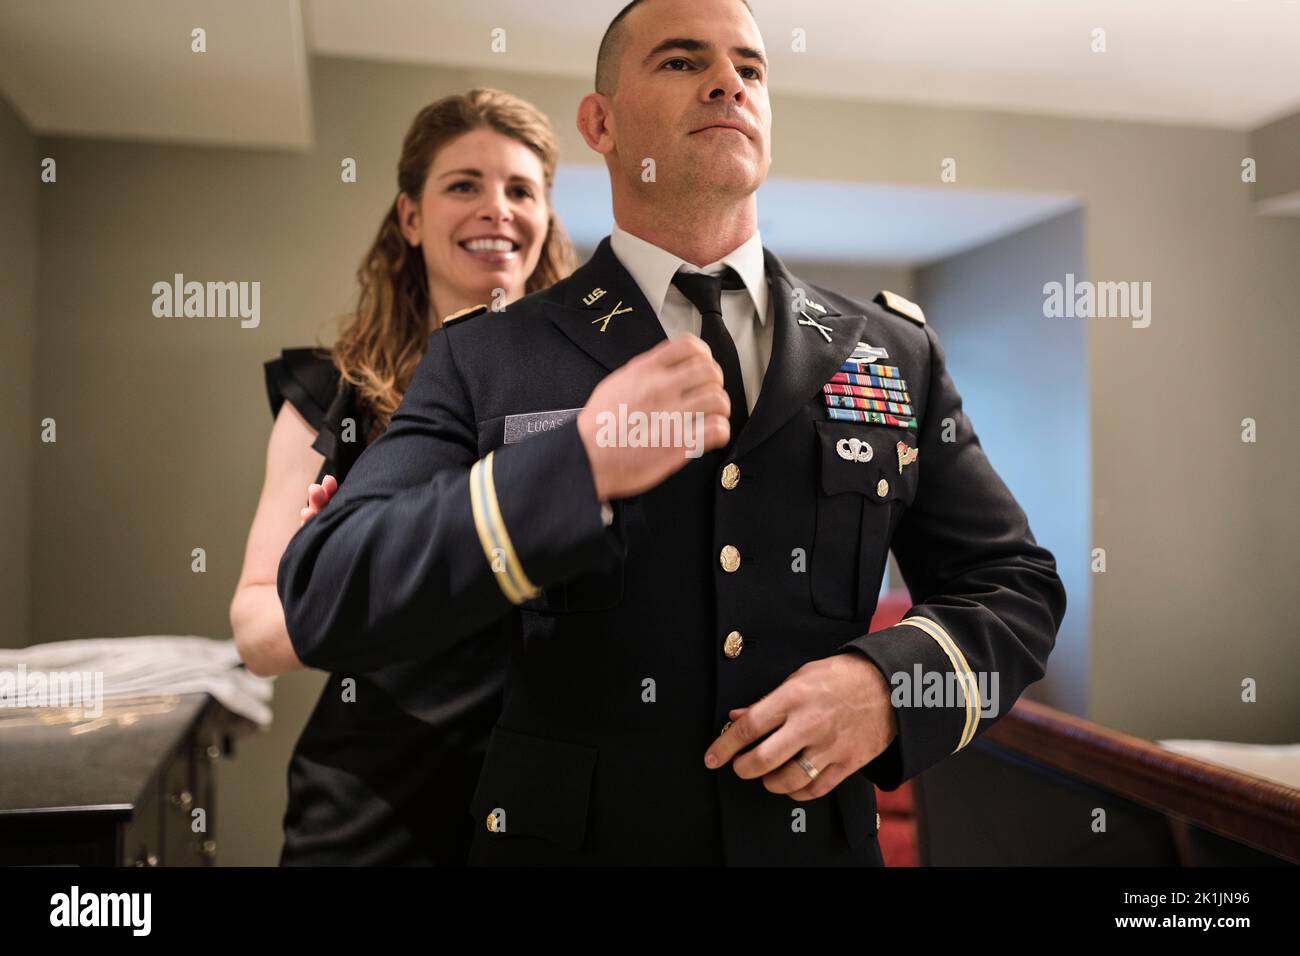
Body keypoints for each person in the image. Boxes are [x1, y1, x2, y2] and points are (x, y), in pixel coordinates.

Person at [278, 0, 1066, 866]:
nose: (729, 82)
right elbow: (325, 596)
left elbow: (1014, 585)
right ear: (601, 122)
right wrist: (574, 466)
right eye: (683, 62)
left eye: (751, 69)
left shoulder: (891, 351)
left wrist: (887, 687)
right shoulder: (487, 355)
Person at [229, 88, 576, 864]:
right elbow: (257, 631)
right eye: (464, 185)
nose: (497, 209)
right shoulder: (330, 396)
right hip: (376, 805)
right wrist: (351, 574)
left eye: (521, 190)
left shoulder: (591, 395)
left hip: (556, 800)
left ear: (547, 218)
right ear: (410, 218)